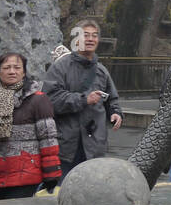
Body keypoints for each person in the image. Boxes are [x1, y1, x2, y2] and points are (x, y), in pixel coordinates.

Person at [0, 52, 61, 200]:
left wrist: (51, 173)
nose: (12, 71)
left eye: (17, 67)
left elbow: (48, 139)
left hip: (26, 174)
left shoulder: (37, 100)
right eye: (7, 67)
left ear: (24, 72)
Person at [41, 19, 122, 180]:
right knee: (63, 193)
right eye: (86, 35)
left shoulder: (101, 70)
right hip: (67, 145)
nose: (91, 39)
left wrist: (115, 113)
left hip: (95, 145)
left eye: (94, 35)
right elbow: (50, 99)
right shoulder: (60, 67)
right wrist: (83, 100)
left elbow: (112, 98)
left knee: (92, 192)